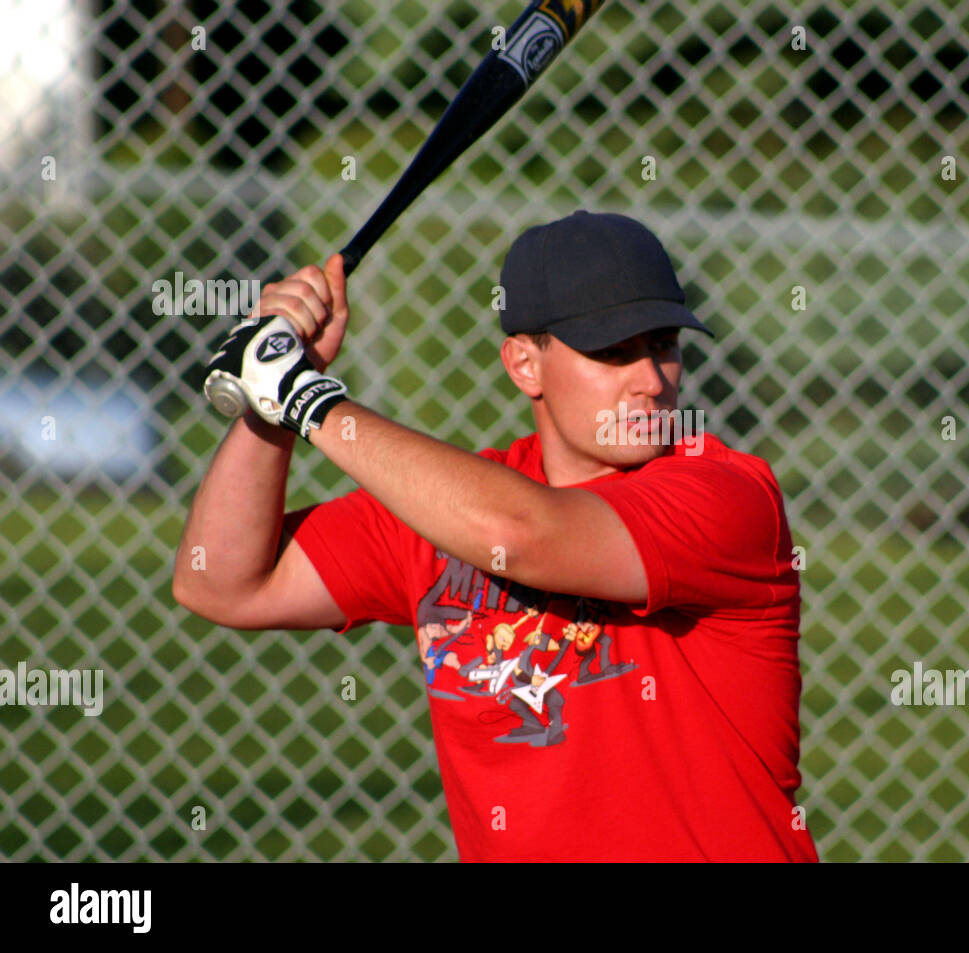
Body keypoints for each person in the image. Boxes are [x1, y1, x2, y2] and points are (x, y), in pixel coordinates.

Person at [173, 210, 819, 862]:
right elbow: (220, 582)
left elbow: (525, 533)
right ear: (523, 364)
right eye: (614, 351)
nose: (652, 380)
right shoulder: (450, 508)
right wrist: (270, 401)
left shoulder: (725, 495)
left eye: (663, 345)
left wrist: (305, 397)